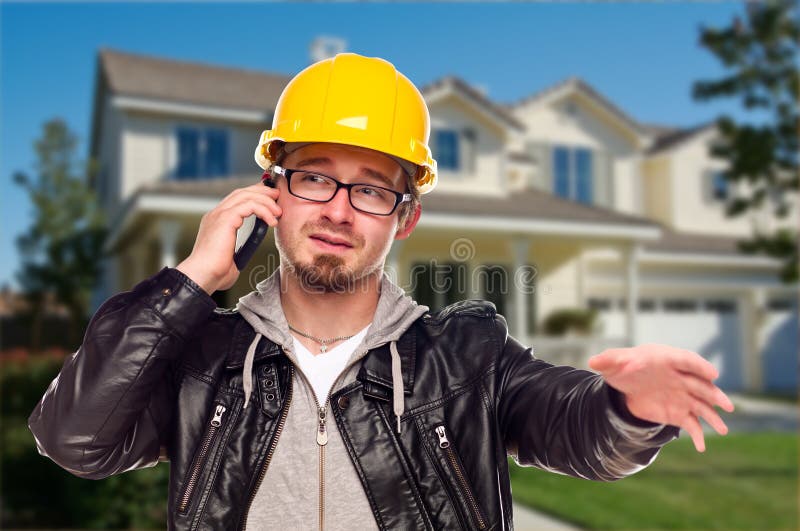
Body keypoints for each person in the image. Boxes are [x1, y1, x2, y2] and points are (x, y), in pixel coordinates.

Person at [28, 53, 734, 530]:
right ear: (273, 191)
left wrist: (629, 408)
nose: (338, 208)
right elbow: (75, 438)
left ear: (406, 217)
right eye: (315, 176)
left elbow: (577, 428)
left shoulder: (467, 357)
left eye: (370, 189)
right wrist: (191, 281)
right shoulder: (204, 359)